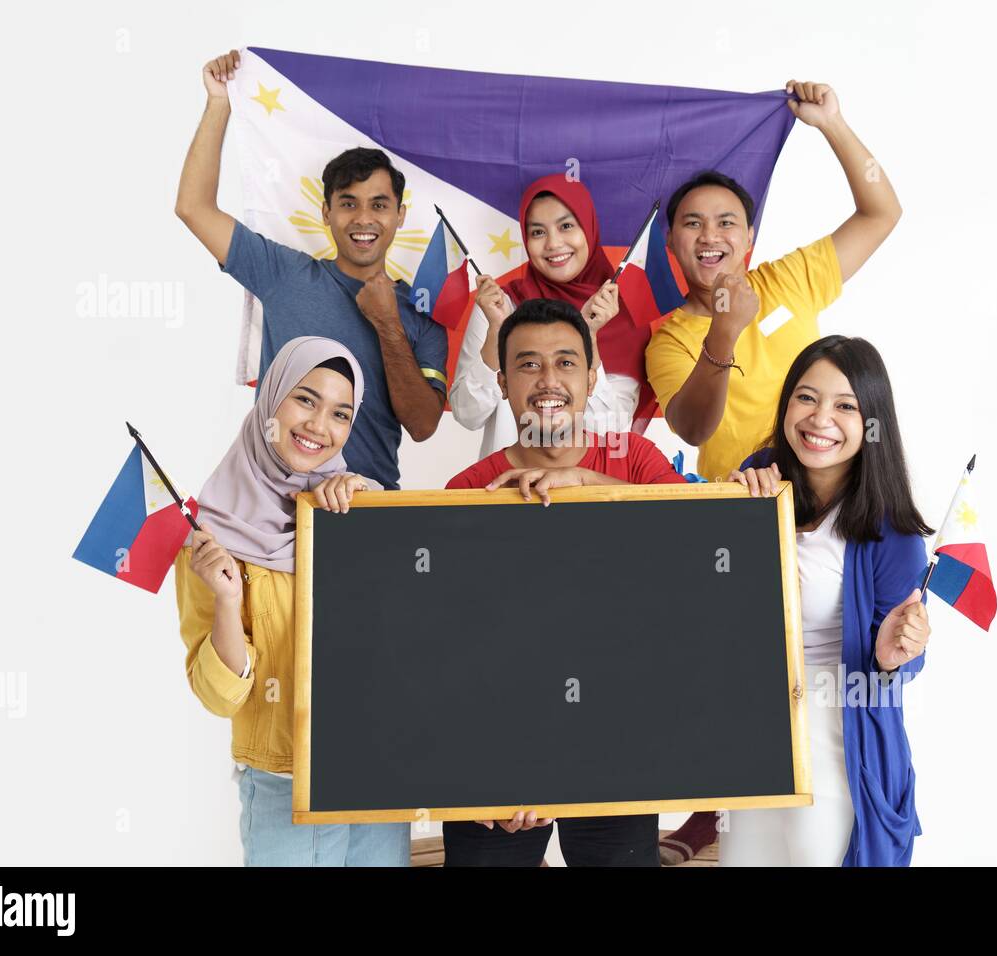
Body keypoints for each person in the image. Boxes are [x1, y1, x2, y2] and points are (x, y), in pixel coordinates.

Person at [443, 298, 686, 866]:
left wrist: (582, 480)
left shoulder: (635, 458)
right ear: (502, 383)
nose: (548, 380)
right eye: (528, 365)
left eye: (565, 363)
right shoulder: (469, 488)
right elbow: (447, 640)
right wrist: (476, 769)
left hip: (618, 733)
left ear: (592, 376)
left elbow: (695, 535)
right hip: (499, 740)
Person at [173, 335, 409, 866]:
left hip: (376, 770)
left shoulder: (358, 505)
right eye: (305, 399)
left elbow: (409, 639)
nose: (319, 426)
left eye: (341, 413)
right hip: (285, 781)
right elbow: (220, 698)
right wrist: (229, 601)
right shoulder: (210, 538)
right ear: (270, 400)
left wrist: (378, 527)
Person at [175, 49, 447, 490]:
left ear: (399, 215)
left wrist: (388, 325)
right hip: (274, 500)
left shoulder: (425, 314)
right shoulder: (284, 272)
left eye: (378, 205)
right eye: (348, 204)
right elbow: (193, 208)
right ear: (326, 213)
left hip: (367, 506)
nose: (363, 219)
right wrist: (219, 103)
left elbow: (423, 426)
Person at [721, 334, 932, 866]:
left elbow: (901, 663)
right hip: (750, 724)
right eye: (807, 397)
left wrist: (891, 657)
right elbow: (713, 602)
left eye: (845, 406)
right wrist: (724, 515)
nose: (820, 420)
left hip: (835, 731)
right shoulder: (759, 474)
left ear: (872, 422)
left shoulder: (893, 530)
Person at [646, 80, 902, 485]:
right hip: (743, 506)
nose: (710, 236)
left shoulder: (787, 280)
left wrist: (832, 124)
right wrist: (724, 328)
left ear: (748, 238)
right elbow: (693, 430)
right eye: (693, 224)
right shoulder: (668, 342)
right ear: (671, 243)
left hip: (832, 495)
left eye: (726, 223)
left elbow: (880, 213)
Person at [450, 173, 652, 458]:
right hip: (506, 491)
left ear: (590, 229)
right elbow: (468, 414)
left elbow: (611, 431)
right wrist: (497, 332)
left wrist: (588, 336)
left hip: (589, 494)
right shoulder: (498, 305)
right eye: (537, 232)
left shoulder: (618, 319)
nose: (553, 244)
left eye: (566, 226)